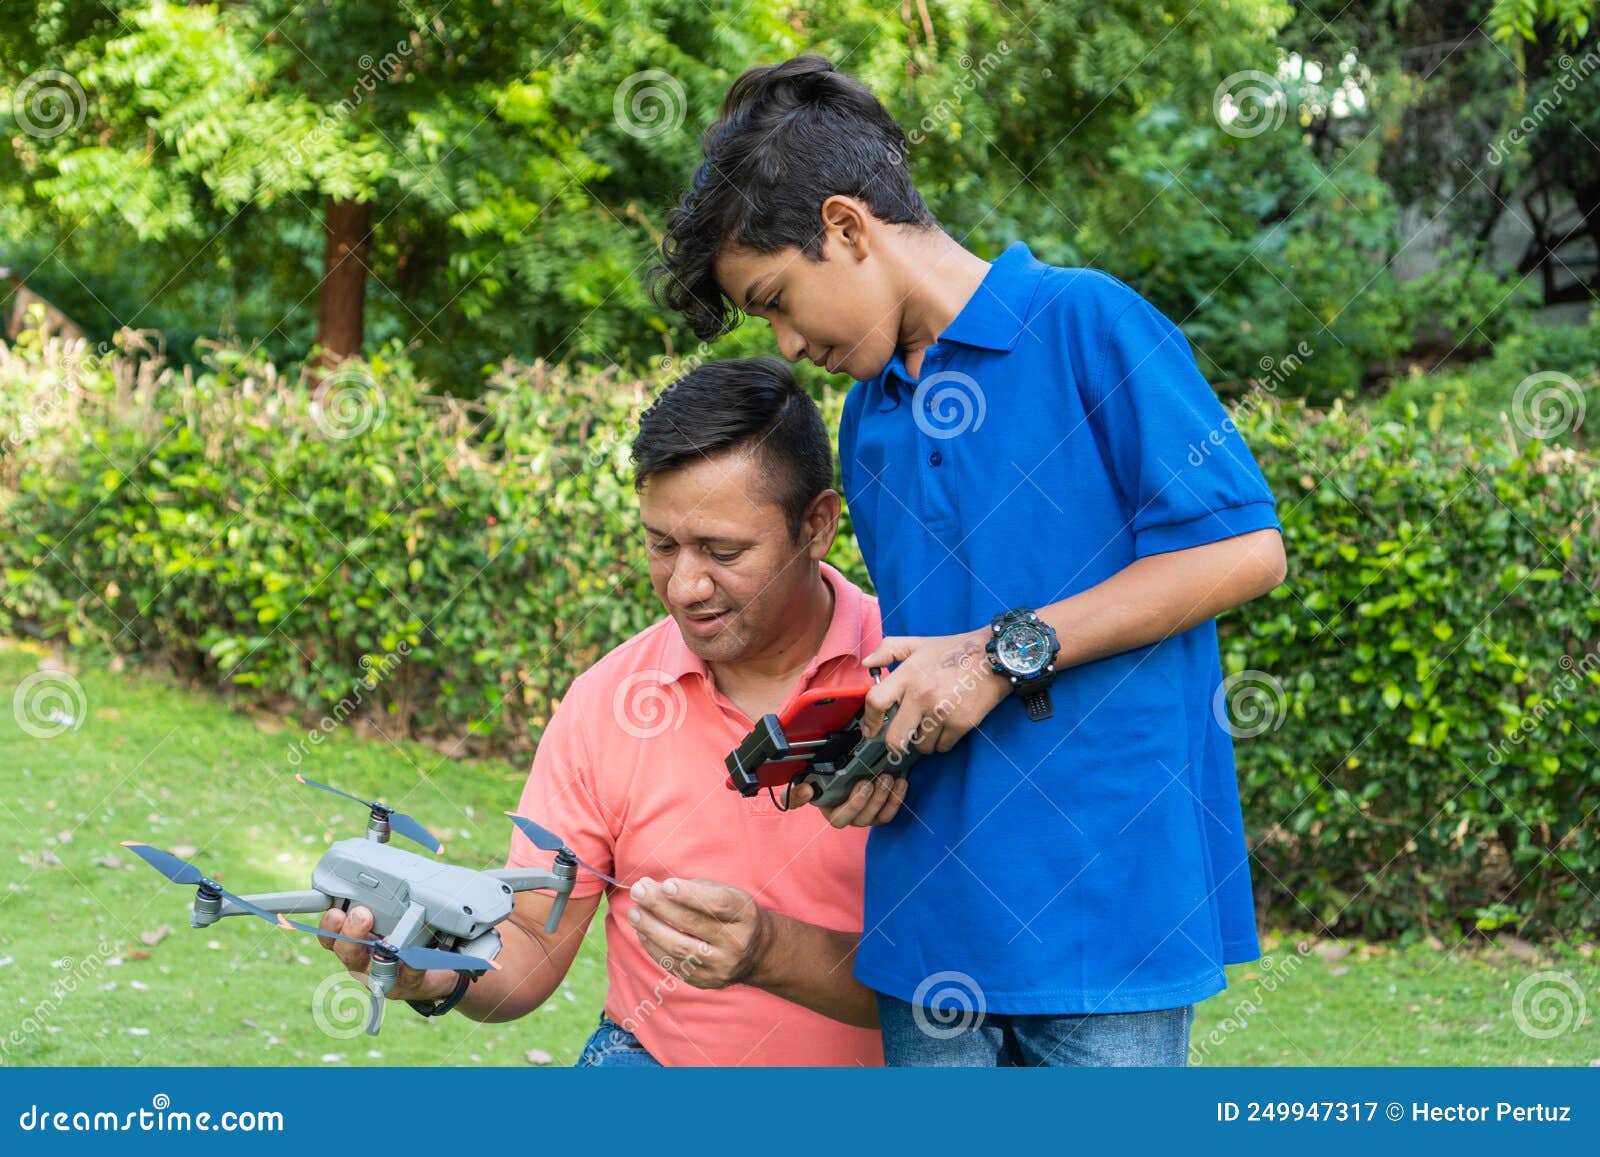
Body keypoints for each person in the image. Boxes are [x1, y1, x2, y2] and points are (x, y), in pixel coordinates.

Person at [652, 55, 1288, 1067]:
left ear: (847, 226)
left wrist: (998, 654)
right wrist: (881, 749)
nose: (783, 339)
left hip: (1105, 923)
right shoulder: (867, 419)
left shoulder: (1087, 323)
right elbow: (933, 653)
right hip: (929, 929)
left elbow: (1243, 548)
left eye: (777, 297)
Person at [317, 357, 885, 1066]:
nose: (684, 585)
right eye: (661, 544)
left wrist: (771, 951)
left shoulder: (912, 682)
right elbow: (528, 941)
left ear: (818, 524)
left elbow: (975, 985)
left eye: (722, 549)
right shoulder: (607, 703)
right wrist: (427, 972)